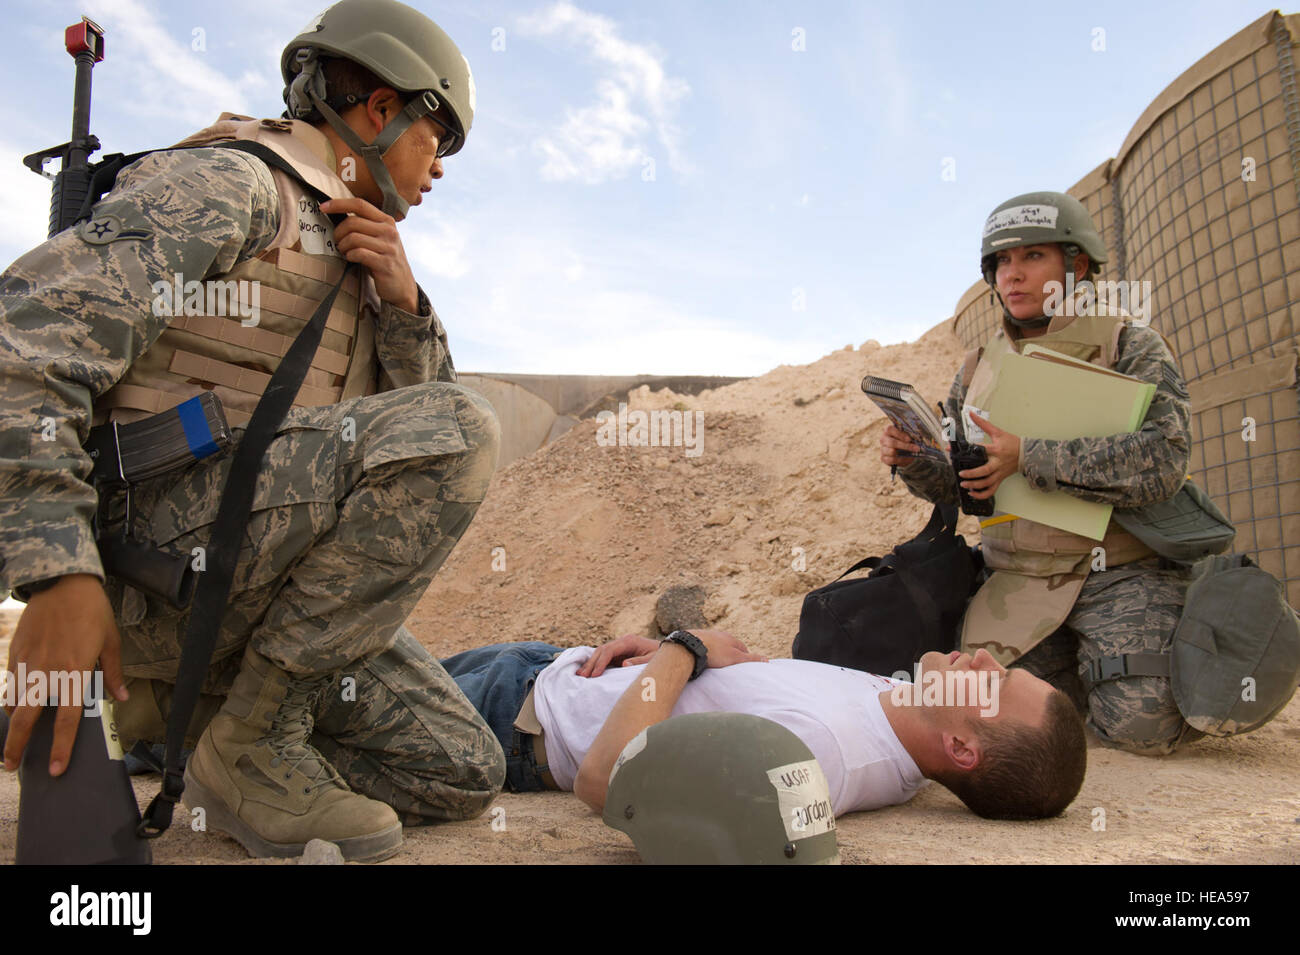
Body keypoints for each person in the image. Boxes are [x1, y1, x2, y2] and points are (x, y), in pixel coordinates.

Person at [0, 0, 504, 862]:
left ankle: (208, 733)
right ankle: (251, 744)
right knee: (466, 426)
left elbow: (410, 478)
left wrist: (406, 311)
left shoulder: (360, 250)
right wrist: (56, 571)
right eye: (439, 136)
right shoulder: (233, 185)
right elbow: (25, 341)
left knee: (458, 766)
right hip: (151, 569)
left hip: (247, 581)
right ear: (380, 110)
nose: (440, 168)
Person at [880, 190, 1202, 757]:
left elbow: (1165, 461)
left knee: (1140, 730)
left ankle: (1153, 651)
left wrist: (1031, 456)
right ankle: (1085, 673)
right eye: (1002, 262)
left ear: (1076, 266)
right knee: (995, 727)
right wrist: (917, 460)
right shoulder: (978, 369)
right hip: (1018, 581)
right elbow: (961, 489)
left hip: (1119, 575)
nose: (1013, 275)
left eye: (1032, 258)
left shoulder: (1130, 346)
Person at [441, 630, 1089, 821]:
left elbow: (604, 779)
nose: (982, 657)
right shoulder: (900, 710)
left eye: (993, 683)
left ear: (960, 746)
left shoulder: (818, 758)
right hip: (548, 663)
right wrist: (663, 657)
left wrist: (682, 648)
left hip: (510, 723)